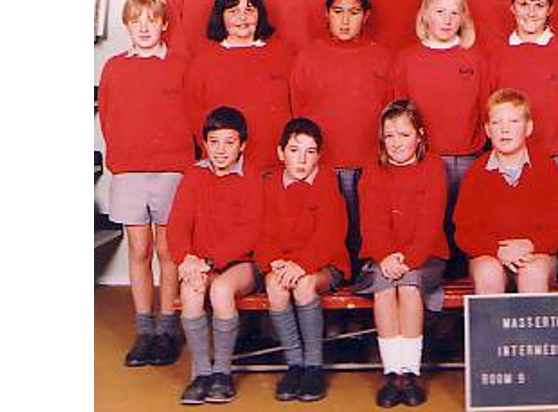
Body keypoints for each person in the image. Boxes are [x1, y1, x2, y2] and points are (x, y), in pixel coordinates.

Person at [98, 0, 190, 368]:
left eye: (152, 20)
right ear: (127, 26)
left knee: (168, 251)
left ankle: (168, 326)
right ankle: (145, 330)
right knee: (139, 250)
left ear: (164, 23)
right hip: (131, 171)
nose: (145, 28)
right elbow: (108, 117)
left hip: (171, 170)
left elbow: (192, 113)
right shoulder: (115, 67)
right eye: (137, 21)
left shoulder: (179, 65)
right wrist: (121, 160)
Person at [289, 0, 393, 272]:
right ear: (326, 14)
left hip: (369, 164)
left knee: (366, 238)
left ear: (366, 16)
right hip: (326, 166)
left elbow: (391, 111)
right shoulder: (309, 56)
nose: (345, 21)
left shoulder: (381, 56)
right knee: (330, 239)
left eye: (354, 12)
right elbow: (299, 109)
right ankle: (335, 311)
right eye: (338, 12)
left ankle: (364, 306)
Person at [390, 0, 490, 274]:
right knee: (427, 234)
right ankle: (434, 307)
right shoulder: (407, 60)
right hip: (423, 161)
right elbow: (398, 114)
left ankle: (461, 312)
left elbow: (486, 108)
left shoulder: (475, 59)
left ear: (463, 18)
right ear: (425, 15)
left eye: (454, 13)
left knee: (466, 234)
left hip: (468, 158)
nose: (447, 21)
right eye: (440, 12)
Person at [356, 100, 450, 407]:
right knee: (385, 290)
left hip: (425, 256)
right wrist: (385, 256)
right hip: (382, 257)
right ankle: (391, 372)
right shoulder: (373, 169)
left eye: (404, 135)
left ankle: (410, 373)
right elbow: (372, 221)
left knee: (408, 285)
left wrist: (407, 260)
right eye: (390, 136)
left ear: (420, 135)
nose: (397, 143)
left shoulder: (433, 166)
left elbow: (429, 223)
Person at [169, 106, 265, 405]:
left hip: (242, 263)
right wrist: (186, 258)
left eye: (229, 142)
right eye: (214, 142)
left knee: (221, 291)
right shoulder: (194, 175)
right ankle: (201, 373)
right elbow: (178, 223)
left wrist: (208, 261)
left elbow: (251, 231)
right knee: (192, 289)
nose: (221, 150)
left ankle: (222, 372)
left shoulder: (251, 175)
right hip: (202, 262)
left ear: (242, 145)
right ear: (205, 143)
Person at [256, 118, 350, 402]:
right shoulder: (269, 183)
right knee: (275, 286)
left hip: (324, 264)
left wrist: (302, 265)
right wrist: (274, 262)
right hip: (282, 265)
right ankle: (294, 363)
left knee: (304, 285)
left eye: (310, 152)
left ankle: (313, 366)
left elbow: (330, 235)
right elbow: (260, 232)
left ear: (319, 156)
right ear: (281, 153)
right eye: (295, 150)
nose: (302, 159)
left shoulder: (326, 181)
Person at [454, 89, 558, 293]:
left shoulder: (546, 168)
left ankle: (532, 327)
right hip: (490, 255)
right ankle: (490, 326)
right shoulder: (477, 172)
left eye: (514, 122)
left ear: (528, 128)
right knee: (488, 272)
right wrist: (497, 250)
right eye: (497, 123)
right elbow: (464, 231)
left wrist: (530, 245)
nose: (504, 130)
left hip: (536, 254)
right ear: (488, 130)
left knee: (532, 272)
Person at [184, 0, 294, 172]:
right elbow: (194, 113)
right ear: (221, 16)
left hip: (275, 165)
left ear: (260, 14)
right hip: (225, 168)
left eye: (250, 10)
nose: (242, 17)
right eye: (233, 11)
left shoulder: (282, 54)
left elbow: (298, 105)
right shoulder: (204, 60)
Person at [488, 0, 558, 171]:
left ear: (550, 9)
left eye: (539, 5)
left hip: (556, 154)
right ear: (512, 7)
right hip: (510, 155)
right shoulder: (498, 54)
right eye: (524, 4)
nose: (531, 13)